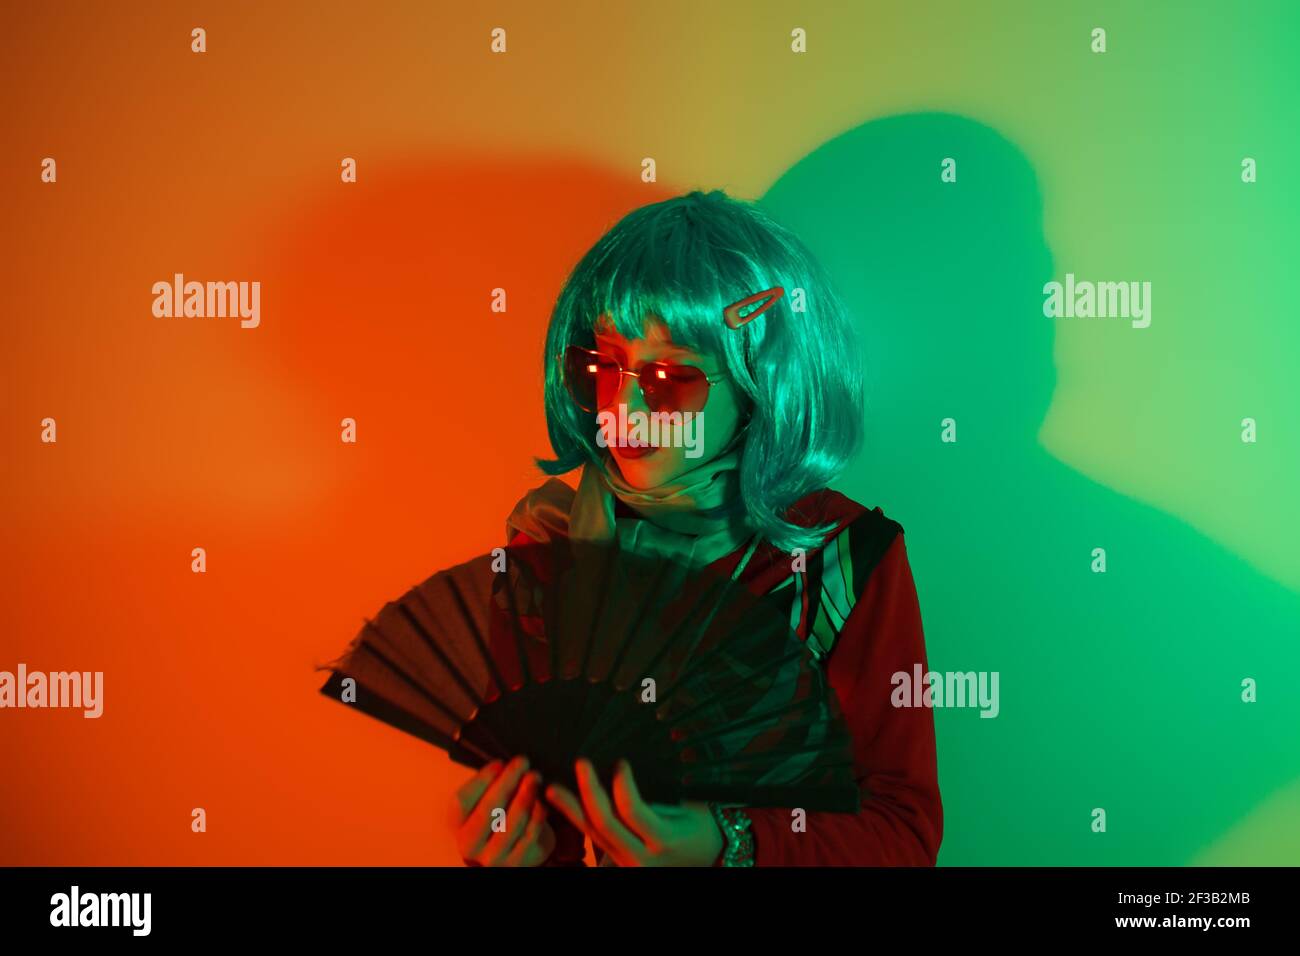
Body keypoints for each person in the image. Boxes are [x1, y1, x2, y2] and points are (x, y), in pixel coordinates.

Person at [447, 188, 942, 866]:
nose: (620, 409)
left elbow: (902, 832)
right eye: (601, 364)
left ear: (758, 386)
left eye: (669, 377)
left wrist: (728, 844)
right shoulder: (551, 547)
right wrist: (514, 852)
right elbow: (551, 822)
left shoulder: (848, 559)